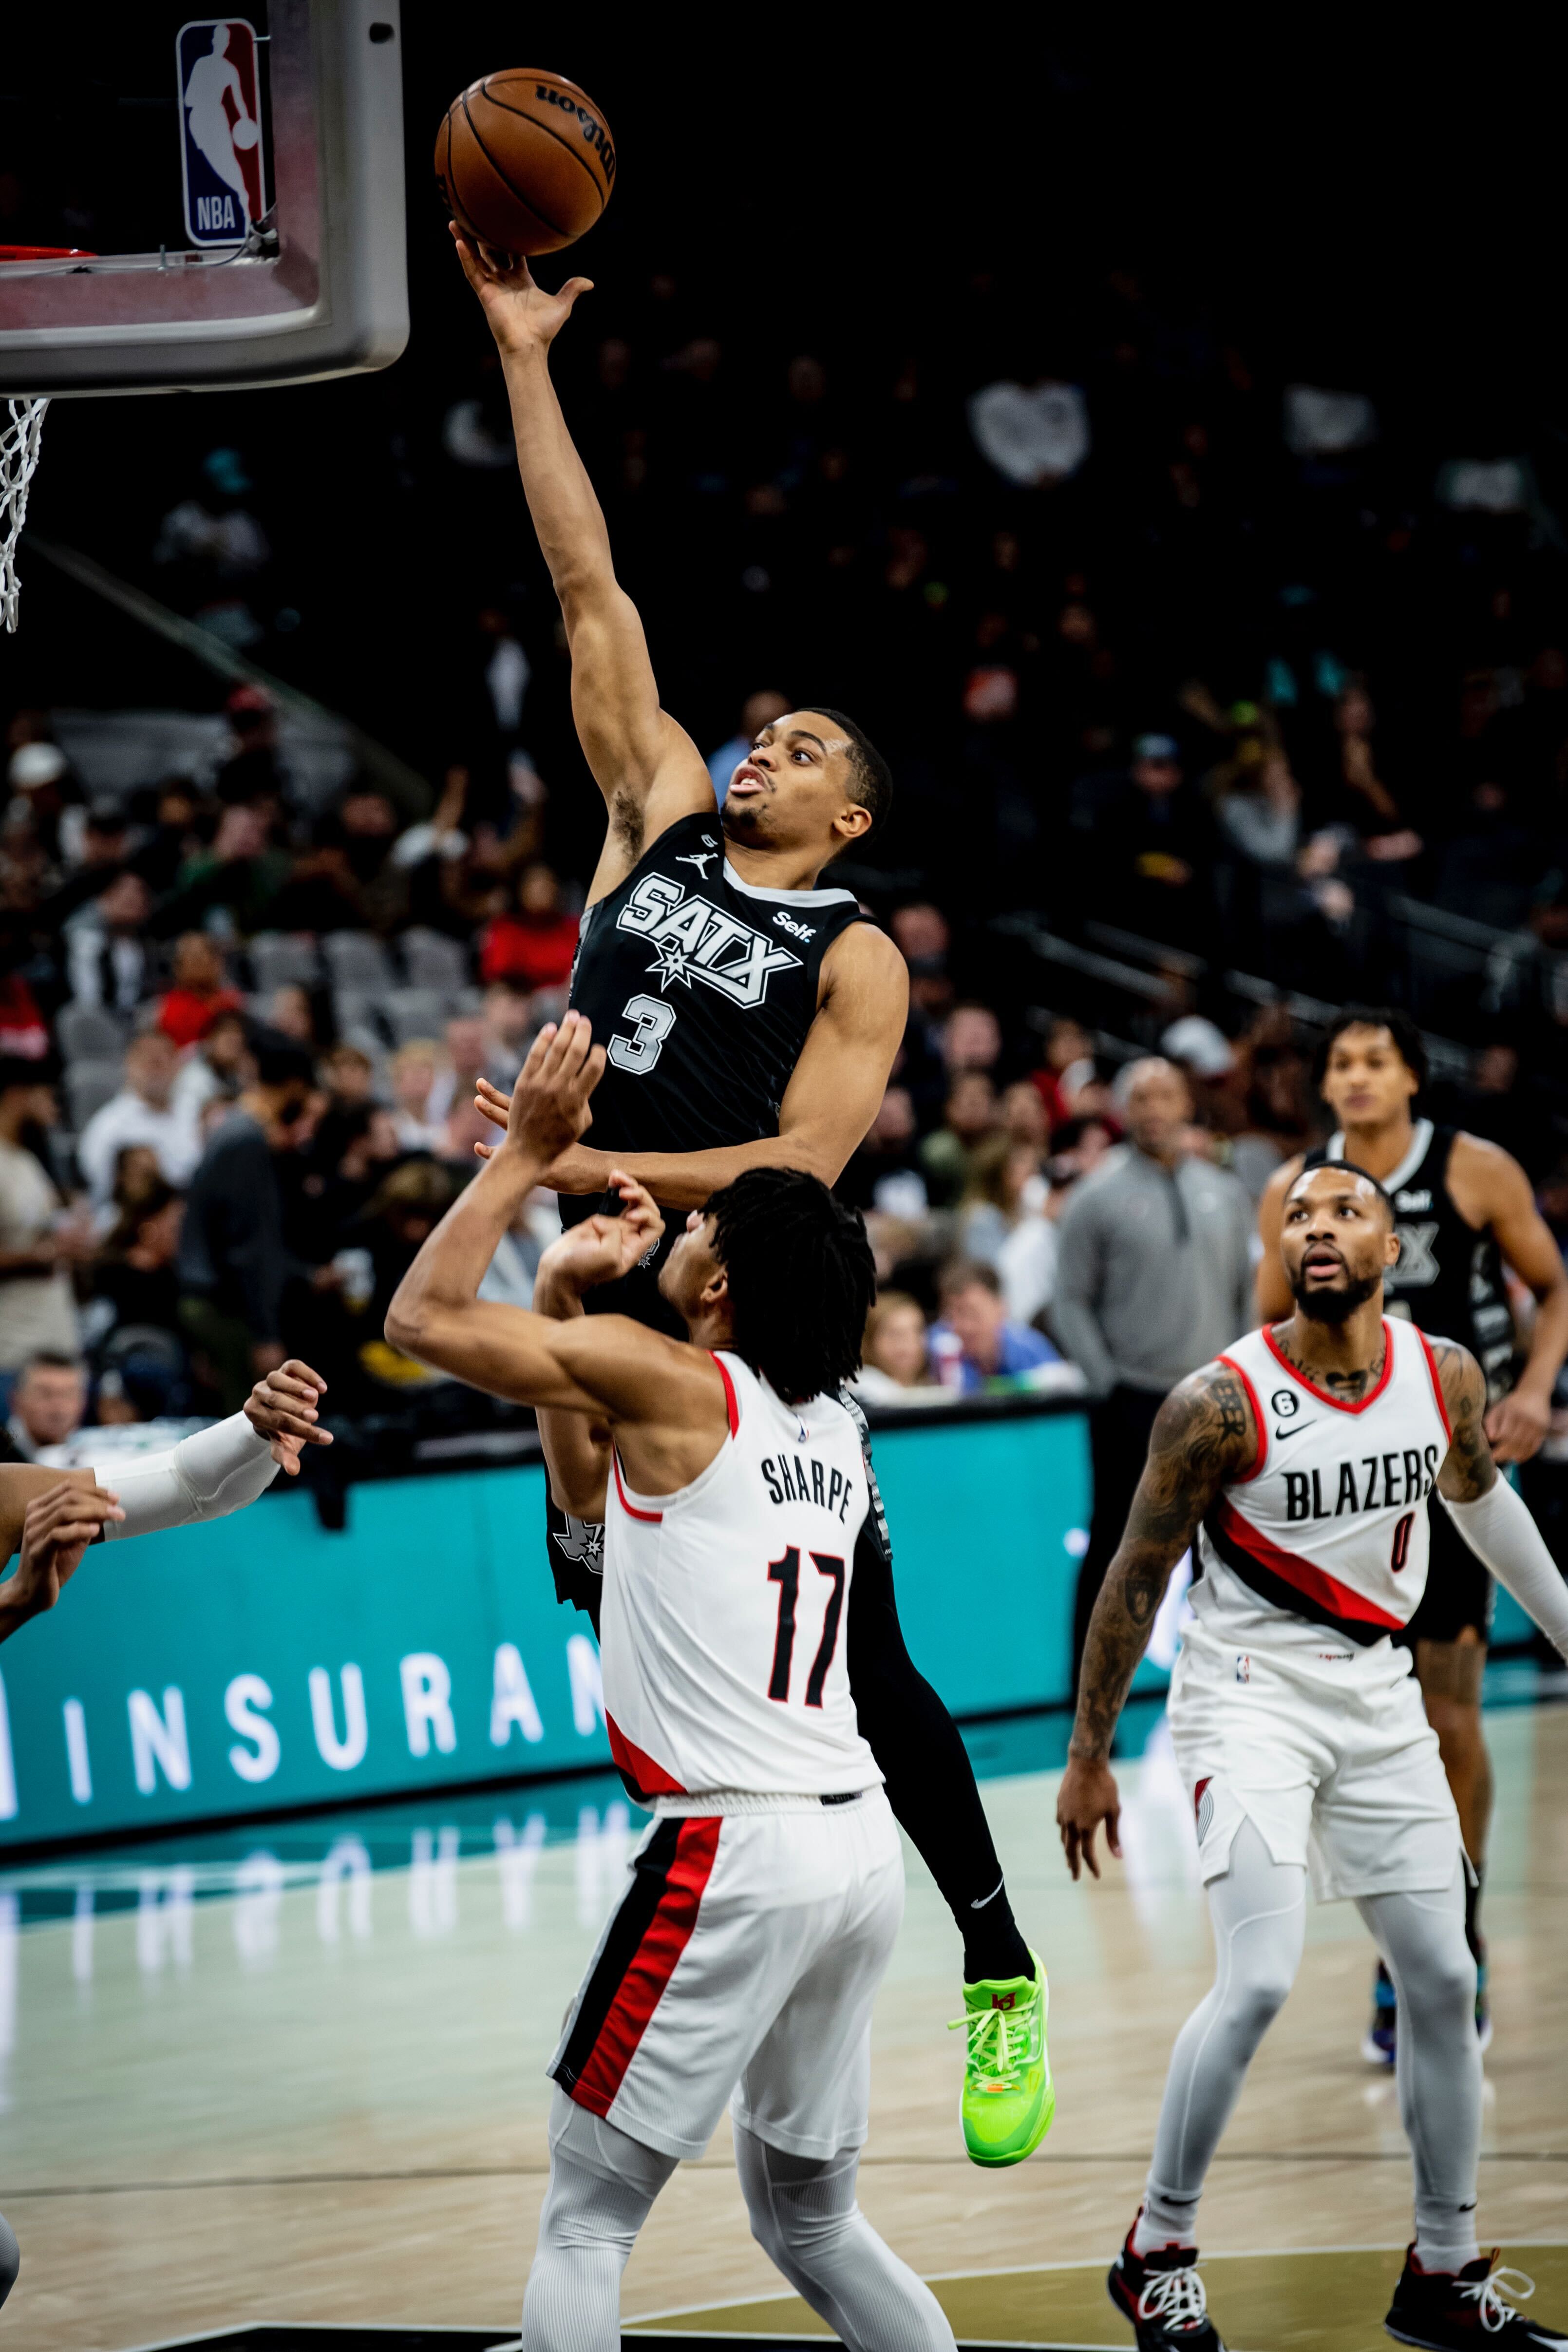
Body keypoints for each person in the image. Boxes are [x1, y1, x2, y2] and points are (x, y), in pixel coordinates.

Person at [449, 235, 1049, 2135]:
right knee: (607, 1617)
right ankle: (741, 1924)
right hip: (601, 1273)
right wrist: (525, 357)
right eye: (760, 732)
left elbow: (802, 1164)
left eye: (800, 749)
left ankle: (999, 1956)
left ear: (849, 816)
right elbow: (584, 584)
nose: (760, 744)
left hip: (746, 1288)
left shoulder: (855, 950)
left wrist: (587, 1153)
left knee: (867, 1648)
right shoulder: (652, 818)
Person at [385, 1016, 1044, 2348]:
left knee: (585, 2218)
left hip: (729, 1845)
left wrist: (525, 1160)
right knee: (811, 2222)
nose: (677, 1226)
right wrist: (571, 1300)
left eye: (703, 1226)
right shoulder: (836, 1430)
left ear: (723, 1284)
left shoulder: (679, 1384)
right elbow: (589, 1519)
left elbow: (418, 1320)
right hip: (853, 1847)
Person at [1056, 1160, 1568, 2352]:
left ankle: (1439, 2266)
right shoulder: (1214, 1401)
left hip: (1378, 1696)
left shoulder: (1438, 1372)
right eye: (1297, 1213)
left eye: (1344, 1209)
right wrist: (1087, 1751)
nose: (1317, 1226)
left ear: (1390, 1247)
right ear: (1278, 1248)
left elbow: (1483, 1504)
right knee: (1258, 1978)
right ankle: (1156, 2246)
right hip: (1244, 1699)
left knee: (1442, 1979)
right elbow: (1132, 1572)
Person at [1256, 1006, 1568, 2059]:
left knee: (1448, 1712)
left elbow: (1553, 1281)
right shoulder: (1294, 1190)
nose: (1352, 1077)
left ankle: (1455, 1937)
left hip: (1446, 1473)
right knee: (1357, 1732)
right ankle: (1401, 1948)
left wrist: (1531, 1388)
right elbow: (1258, 1334)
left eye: (1371, 1060)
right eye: (1337, 1062)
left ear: (1408, 1079)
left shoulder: (1473, 1168)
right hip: (1347, 1491)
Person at [1052, 1058, 1255, 1687]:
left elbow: (1245, 1290)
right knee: (1118, 1548)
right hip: (1130, 1399)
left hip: (1213, 1398)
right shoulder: (1094, 1197)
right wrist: (1104, 1382)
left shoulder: (1224, 1192)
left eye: (1165, 1094)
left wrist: (1246, 1374)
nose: (1154, 1109)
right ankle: (1088, 1693)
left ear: (1185, 1104)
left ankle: (1221, 1688)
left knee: (1222, 1552)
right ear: (1121, 1112)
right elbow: (1067, 1300)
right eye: (1139, 1098)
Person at [176, 1040, 318, 1409]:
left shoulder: (235, 1131)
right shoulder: (246, 1140)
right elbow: (250, 1246)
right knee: (249, 1432)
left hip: (214, 1301)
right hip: (225, 1308)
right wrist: (265, 1333)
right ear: (294, 1087)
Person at [0, 1056, 89, 1383]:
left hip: (54, 1342)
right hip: (12, 1354)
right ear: (17, 1096)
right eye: (46, 1096)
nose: (54, 1109)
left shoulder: (24, 1160)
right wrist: (43, 1255)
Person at [76, 1029, 201, 1205]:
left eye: (164, 1060)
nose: (157, 1068)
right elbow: (105, 1192)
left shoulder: (195, 1110)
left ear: (177, 1065)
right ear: (129, 1065)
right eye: (148, 1061)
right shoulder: (109, 1127)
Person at [928, 1260, 1061, 1393]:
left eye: (973, 1313)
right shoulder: (936, 1351)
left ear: (1001, 1308)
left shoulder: (1032, 1351)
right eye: (952, 1316)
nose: (965, 1326)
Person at [5, 1352, 86, 1460]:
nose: (58, 1408)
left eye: (68, 1395)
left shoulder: (95, 1453)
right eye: (45, 1394)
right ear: (16, 1401)